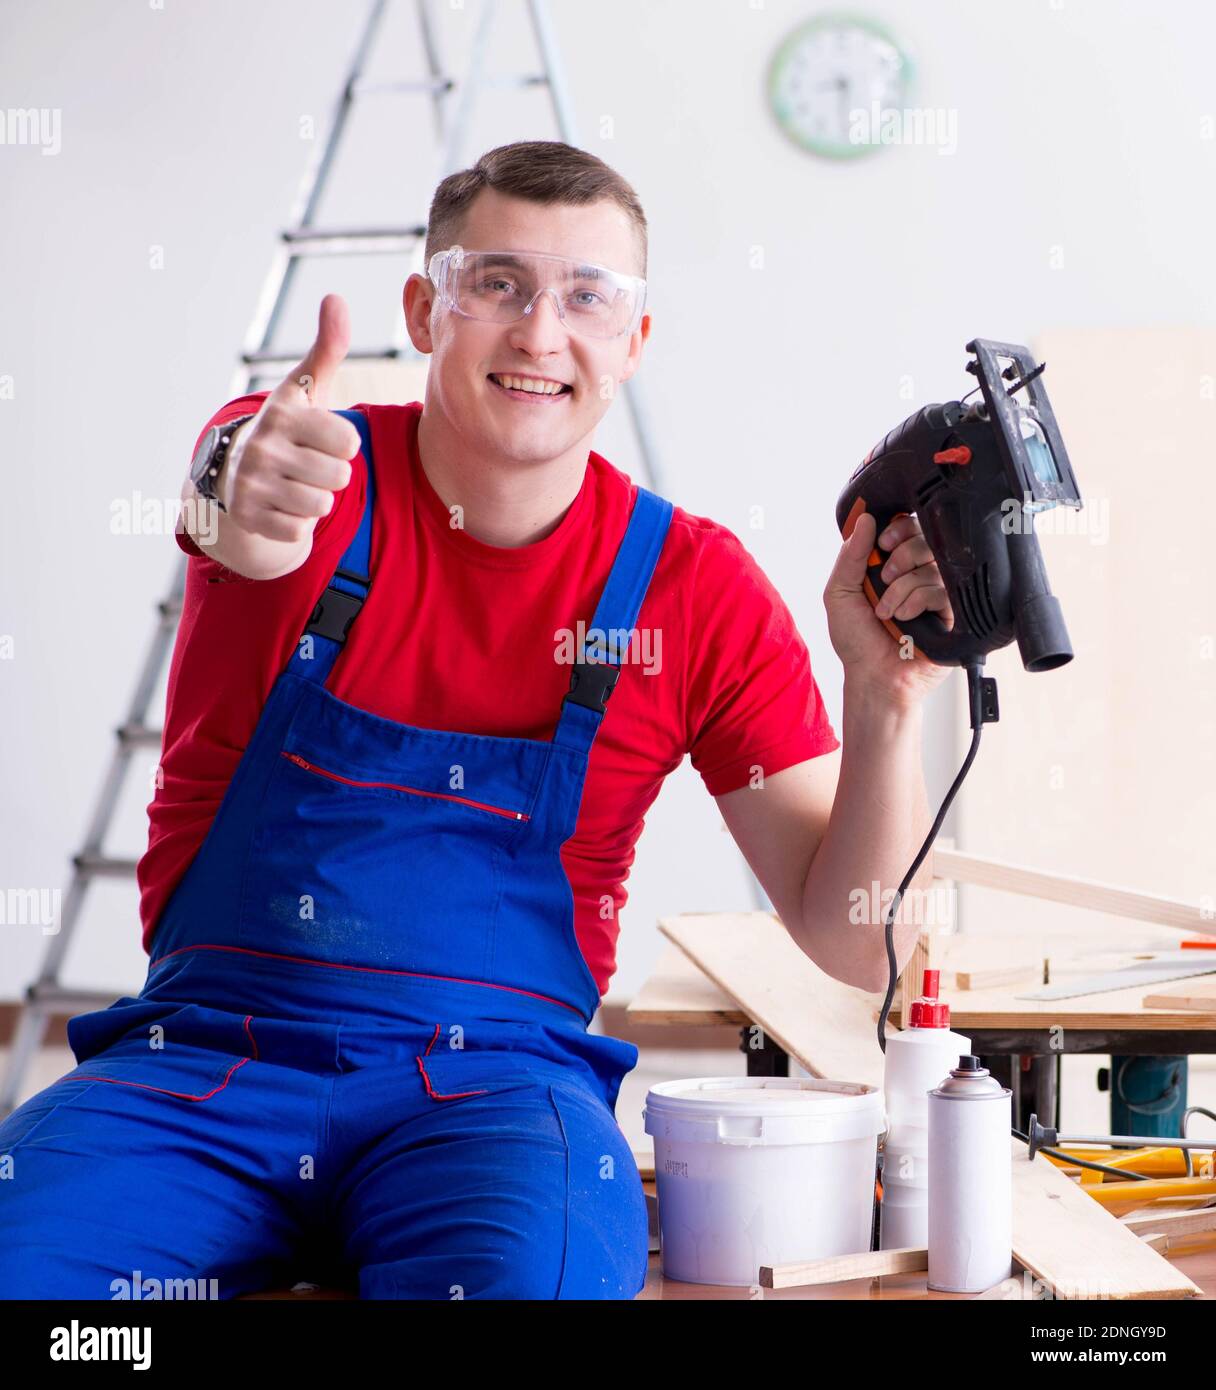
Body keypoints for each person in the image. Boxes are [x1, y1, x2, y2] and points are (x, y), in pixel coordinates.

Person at [0, 140, 951, 1300]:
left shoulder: (693, 588)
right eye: (497, 283)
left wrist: (884, 696)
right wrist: (230, 483)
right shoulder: (308, 470)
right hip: (198, 1069)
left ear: (634, 341)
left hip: (495, 1096)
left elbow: (851, 937)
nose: (541, 333)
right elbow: (233, 485)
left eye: (588, 297)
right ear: (425, 307)